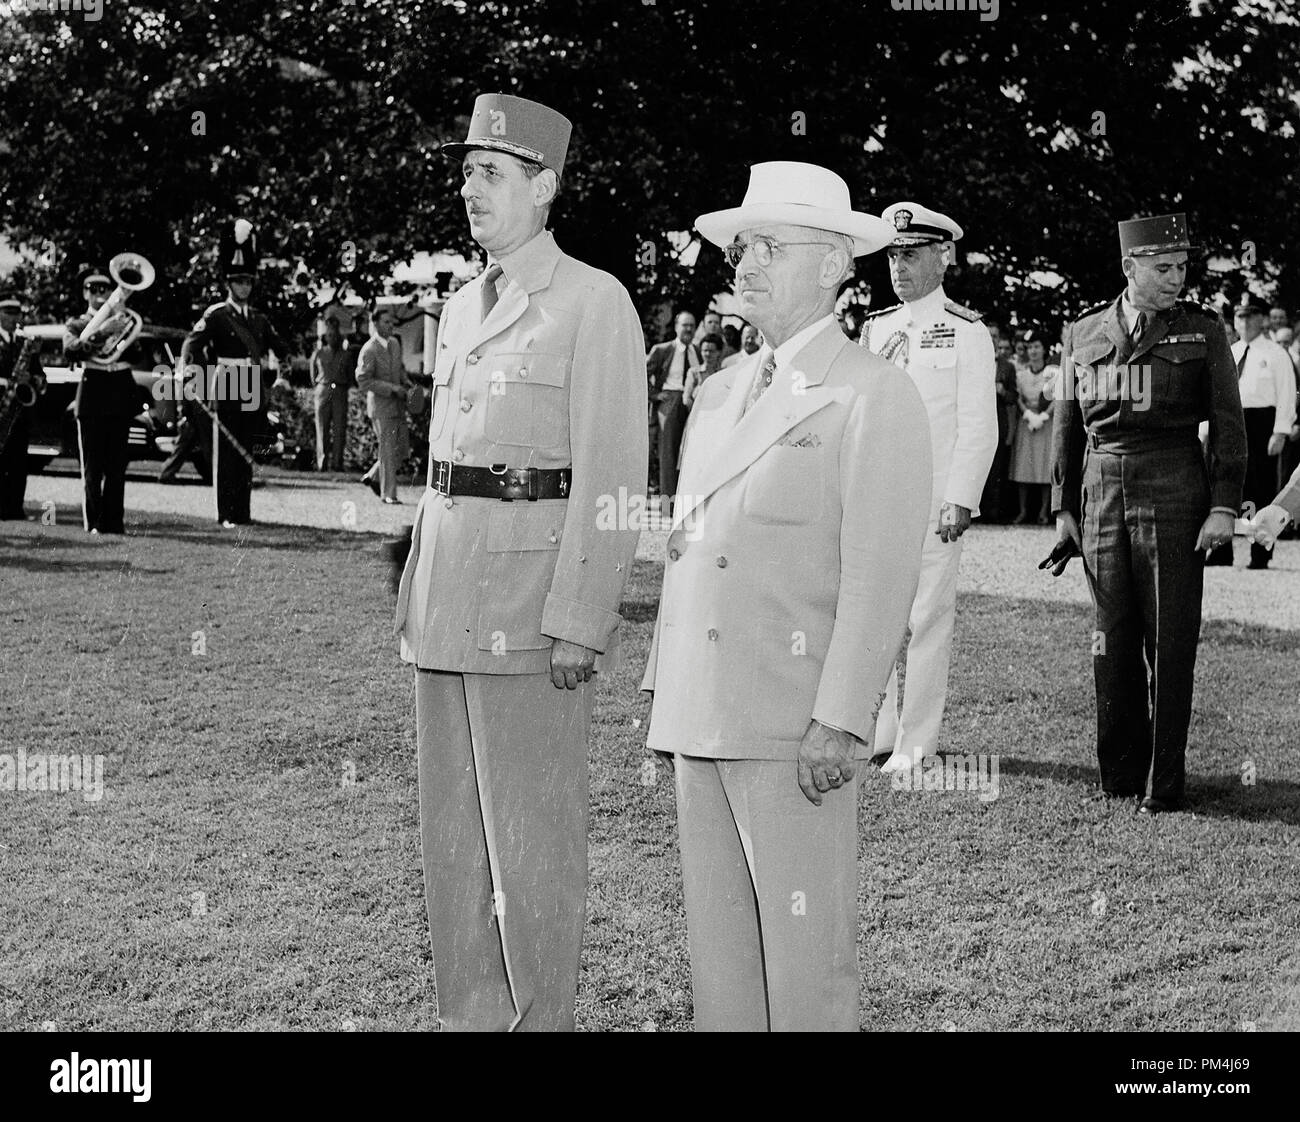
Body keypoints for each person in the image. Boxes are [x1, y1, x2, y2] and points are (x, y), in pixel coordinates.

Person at [641, 162, 931, 1032]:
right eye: (742, 247)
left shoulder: (874, 393)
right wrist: (663, 683)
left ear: (836, 263)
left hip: (793, 722)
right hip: (703, 711)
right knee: (721, 962)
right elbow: (689, 548)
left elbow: (881, 575)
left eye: (770, 246)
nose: (746, 263)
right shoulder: (719, 391)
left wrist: (841, 717)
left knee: (805, 968)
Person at [392, 93, 646, 1032]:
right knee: (453, 841)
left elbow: (613, 474)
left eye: (492, 172)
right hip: (447, 602)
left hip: (531, 611)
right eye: (467, 172)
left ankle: (540, 1022)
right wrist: (416, 589)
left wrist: (582, 618)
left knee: (531, 840)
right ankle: (470, 1018)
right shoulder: (463, 304)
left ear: (544, 188)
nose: (471, 188)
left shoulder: (593, 301)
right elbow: (444, 467)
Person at [1045, 212, 1246, 815]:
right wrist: (1062, 508)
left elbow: (1229, 425)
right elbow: (1065, 423)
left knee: (1170, 637)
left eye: (1181, 267)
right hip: (1103, 488)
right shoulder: (1083, 331)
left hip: (1174, 485)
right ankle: (1121, 775)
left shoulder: (1203, 332)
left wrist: (1223, 505)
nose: (1176, 278)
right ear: (1129, 267)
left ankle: (1163, 782)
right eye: (1163, 268)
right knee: (1110, 638)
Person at [859, 200, 998, 771]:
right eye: (893, 256)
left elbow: (979, 425)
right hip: (878, 498)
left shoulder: (968, 331)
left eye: (911, 255)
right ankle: (878, 731)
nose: (899, 267)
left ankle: (916, 743)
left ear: (944, 257)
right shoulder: (876, 328)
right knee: (876, 618)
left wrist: (961, 498)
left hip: (935, 500)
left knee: (926, 620)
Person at [181, 222, 288, 527]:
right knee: (227, 452)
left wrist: (283, 374)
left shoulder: (258, 319)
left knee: (246, 450)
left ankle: (243, 513)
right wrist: (193, 372)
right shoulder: (216, 315)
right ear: (229, 284)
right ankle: (226, 514)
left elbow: (281, 348)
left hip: (251, 383)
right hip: (227, 381)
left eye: (248, 283)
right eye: (239, 282)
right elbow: (191, 344)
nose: (245, 288)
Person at [1205, 297, 1295, 569]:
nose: (1244, 322)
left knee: (1260, 488)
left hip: (1261, 425)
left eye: (1250, 316)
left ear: (1262, 320)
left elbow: (1287, 394)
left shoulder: (1275, 354)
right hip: (1229, 423)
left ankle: (1260, 552)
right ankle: (1222, 551)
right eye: (1240, 316)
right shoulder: (1228, 352)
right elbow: (1212, 393)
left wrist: (1280, 431)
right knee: (1224, 483)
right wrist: (1206, 428)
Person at [64, 267, 139, 535]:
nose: (100, 294)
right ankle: (94, 523)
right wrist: (103, 331)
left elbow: (137, 355)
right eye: (92, 289)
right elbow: (71, 350)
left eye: (105, 289)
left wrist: (123, 327)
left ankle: (115, 523)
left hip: (119, 393)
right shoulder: (76, 324)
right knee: (93, 468)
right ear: (85, 293)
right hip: (93, 394)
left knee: (117, 467)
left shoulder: (125, 319)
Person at [646, 311, 699, 513]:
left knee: (690, 453)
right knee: (668, 453)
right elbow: (642, 373)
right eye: (685, 325)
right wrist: (655, 395)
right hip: (670, 401)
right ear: (676, 327)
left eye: (692, 325)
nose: (688, 329)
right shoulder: (663, 349)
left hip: (693, 403)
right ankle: (668, 506)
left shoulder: (698, 351)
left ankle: (687, 505)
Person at [356, 306, 411, 503]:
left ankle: (372, 476)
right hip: (381, 408)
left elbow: (400, 369)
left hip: (398, 406)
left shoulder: (394, 344)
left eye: (391, 322)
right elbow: (363, 380)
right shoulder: (369, 349)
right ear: (376, 323)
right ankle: (389, 494)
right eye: (386, 322)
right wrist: (392, 388)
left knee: (401, 450)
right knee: (388, 451)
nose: (390, 325)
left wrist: (407, 383)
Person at [0, 290, 46, 520]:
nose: (13, 317)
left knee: (18, 463)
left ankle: (15, 509)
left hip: (19, 411)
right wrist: (6, 382)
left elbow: (41, 376)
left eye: (16, 313)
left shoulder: (25, 343)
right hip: (1, 406)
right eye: (7, 312)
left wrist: (32, 379)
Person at [1009, 332, 1057, 524]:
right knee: (1024, 467)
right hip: (1027, 422)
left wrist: (1044, 416)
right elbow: (1018, 397)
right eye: (1030, 347)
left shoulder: (1053, 373)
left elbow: (1057, 398)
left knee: (1044, 467)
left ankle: (1044, 511)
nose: (1033, 351)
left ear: (1044, 349)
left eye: (1037, 346)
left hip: (1045, 422)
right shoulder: (1021, 375)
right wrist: (1028, 414)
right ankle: (1023, 511)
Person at [977, 321, 1020, 522]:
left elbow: (1014, 397)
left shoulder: (1007, 366)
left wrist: (1003, 392)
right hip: (977, 423)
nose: (992, 339)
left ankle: (993, 513)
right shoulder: (973, 360)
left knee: (996, 469)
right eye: (989, 335)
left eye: (995, 336)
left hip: (998, 423)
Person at [311, 316, 353, 472]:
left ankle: (337, 463)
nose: (332, 338)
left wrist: (342, 386)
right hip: (323, 390)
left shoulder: (346, 355)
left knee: (339, 428)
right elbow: (313, 375)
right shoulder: (318, 353)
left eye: (335, 335)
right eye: (329, 335)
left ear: (339, 336)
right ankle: (322, 463)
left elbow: (350, 376)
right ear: (325, 337)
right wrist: (321, 386)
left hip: (340, 391)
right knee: (321, 427)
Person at [681, 330, 724, 408]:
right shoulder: (693, 372)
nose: (708, 354)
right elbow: (686, 399)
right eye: (705, 351)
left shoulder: (723, 373)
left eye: (711, 351)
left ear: (719, 352)